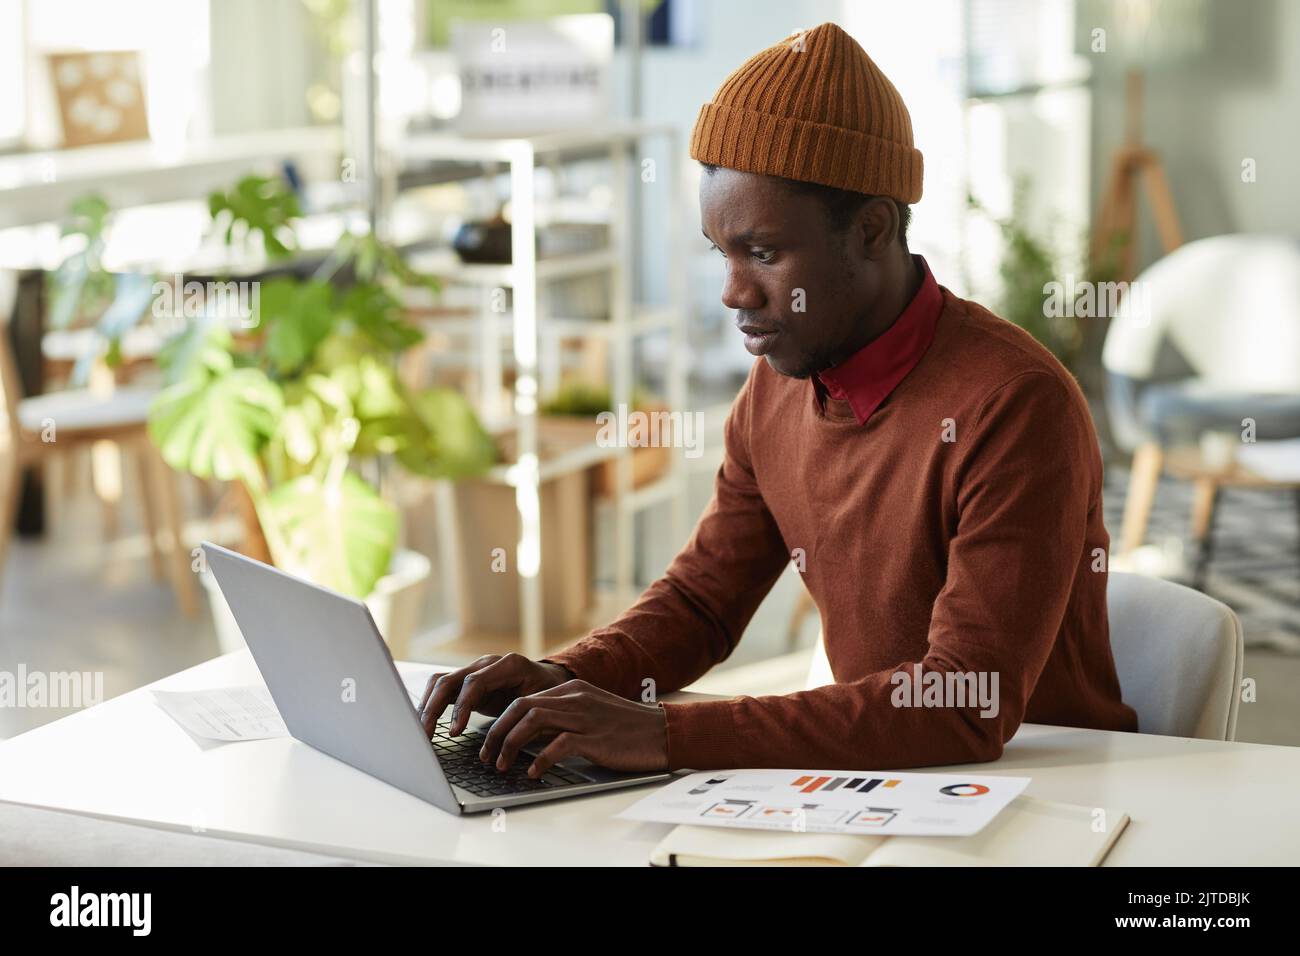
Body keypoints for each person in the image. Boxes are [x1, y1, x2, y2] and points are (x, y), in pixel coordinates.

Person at [418, 21, 1137, 779]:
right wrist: (562, 680)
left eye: (762, 252)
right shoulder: (780, 383)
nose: (732, 292)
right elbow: (702, 603)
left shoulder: (1015, 406)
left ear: (871, 230)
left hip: (1043, 792)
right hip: (888, 787)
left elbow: (963, 705)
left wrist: (664, 734)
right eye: (720, 251)